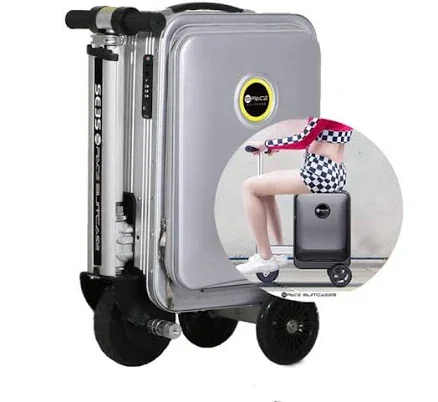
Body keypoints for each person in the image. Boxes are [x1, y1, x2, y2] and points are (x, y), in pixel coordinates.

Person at [237, 117, 353, 275]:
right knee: (263, 188)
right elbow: (320, 137)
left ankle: (265, 258)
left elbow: (303, 139)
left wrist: (266, 144)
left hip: (319, 173)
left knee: (249, 187)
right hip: (334, 172)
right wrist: (275, 146)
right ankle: (276, 253)